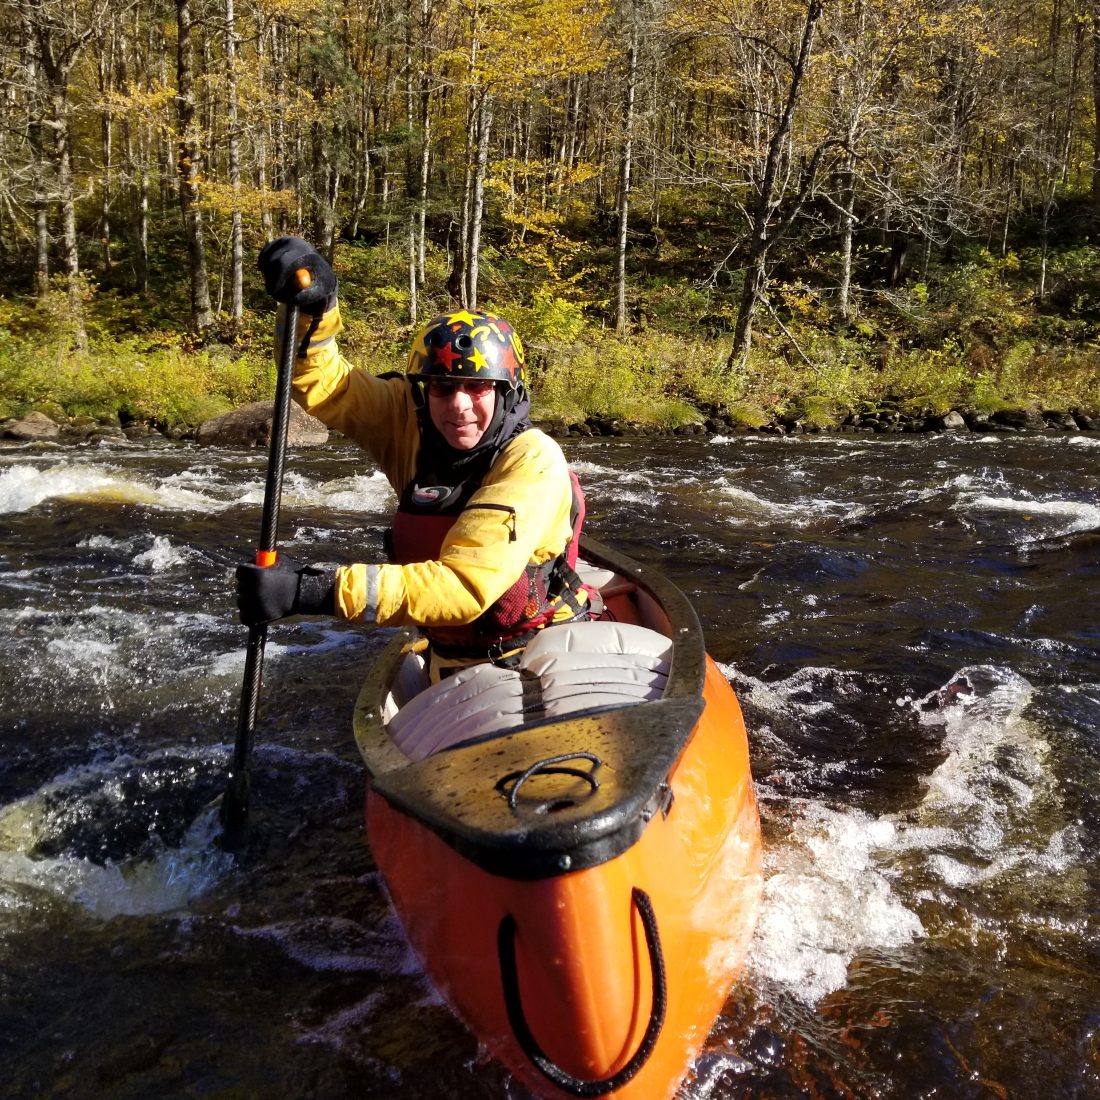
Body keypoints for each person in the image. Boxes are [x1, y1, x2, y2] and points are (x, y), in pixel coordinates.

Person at [236, 237, 590, 682]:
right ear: (423, 391)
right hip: (449, 652)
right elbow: (322, 383)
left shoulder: (532, 458)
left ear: (506, 391)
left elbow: (464, 585)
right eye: (441, 387)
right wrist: (317, 306)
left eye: (478, 387)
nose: (458, 405)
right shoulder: (410, 418)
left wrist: (312, 590)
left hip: (535, 649)